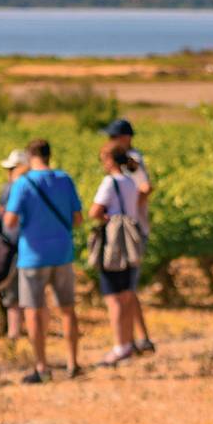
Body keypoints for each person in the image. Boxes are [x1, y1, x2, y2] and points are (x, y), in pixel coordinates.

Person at [1, 138, 83, 383]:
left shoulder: (22, 184)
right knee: (68, 310)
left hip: (33, 256)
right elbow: (77, 219)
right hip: (63, 253)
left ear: (29, 156)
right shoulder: (64, 179)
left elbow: (10, 222)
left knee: (34, 313)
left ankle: (42, 367)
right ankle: (73, 363)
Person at [86, 145, 148, 366]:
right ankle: (128, 344)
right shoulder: (131, 182)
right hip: (130, 243)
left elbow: (94, 211)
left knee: (113, 298)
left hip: (114, 246)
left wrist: (103, 217)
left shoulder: (110, 183)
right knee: (127, 294)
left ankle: (120, 346)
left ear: (110, 161)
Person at [0, 148, 28, 346]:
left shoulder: (10, 188)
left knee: (13, 295)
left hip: (12, 244)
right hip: (33, 246)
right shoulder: (35, 187)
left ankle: (14, 336)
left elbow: (4, 215)